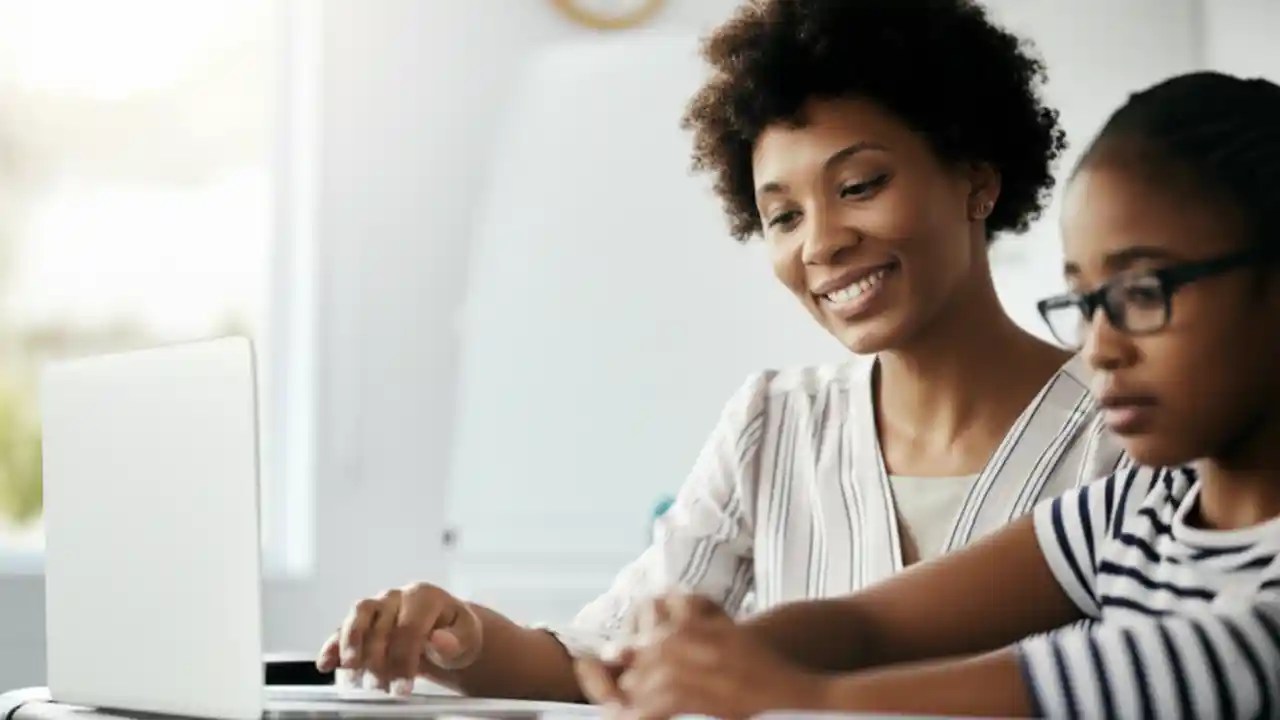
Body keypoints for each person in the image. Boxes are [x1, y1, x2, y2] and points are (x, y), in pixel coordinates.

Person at [314, 0, 1124, 700]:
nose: (823, 243)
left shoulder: (1125, 427)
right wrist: (464, 640)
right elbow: (610, 660)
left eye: (859, 186)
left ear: (978, 179)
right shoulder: (774, 424)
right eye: (784, 216)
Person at [578, 70, 1280, 719]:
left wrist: (790, 690)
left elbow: (1087, 680)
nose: (1099, 347)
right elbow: (869, 623)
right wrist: (724, 648)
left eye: (1142, 292)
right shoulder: (1137, 509)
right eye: (1086, 301)